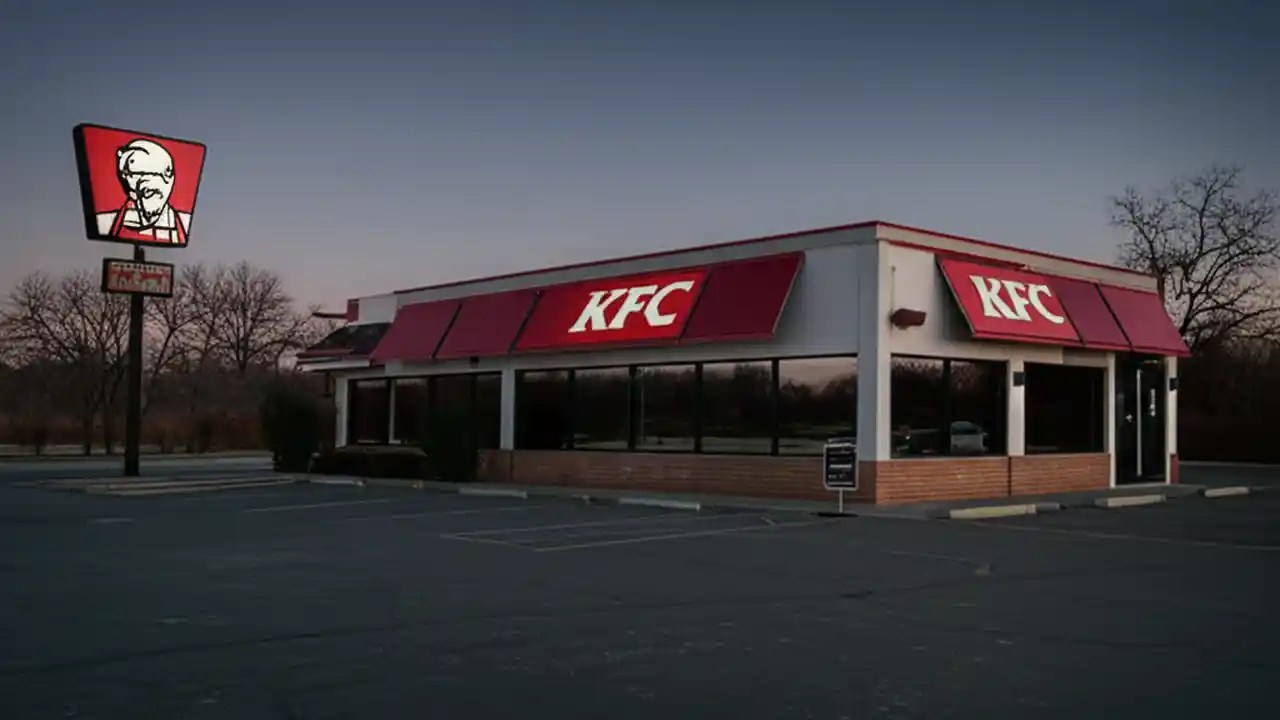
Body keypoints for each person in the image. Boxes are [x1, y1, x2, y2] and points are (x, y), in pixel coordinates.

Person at [95, 139, 190, 244]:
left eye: (157, 175)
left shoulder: (184, 222)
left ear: (170, 179)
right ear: (126, 179)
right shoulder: (106, 222)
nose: (147, 184)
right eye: (139, 175)